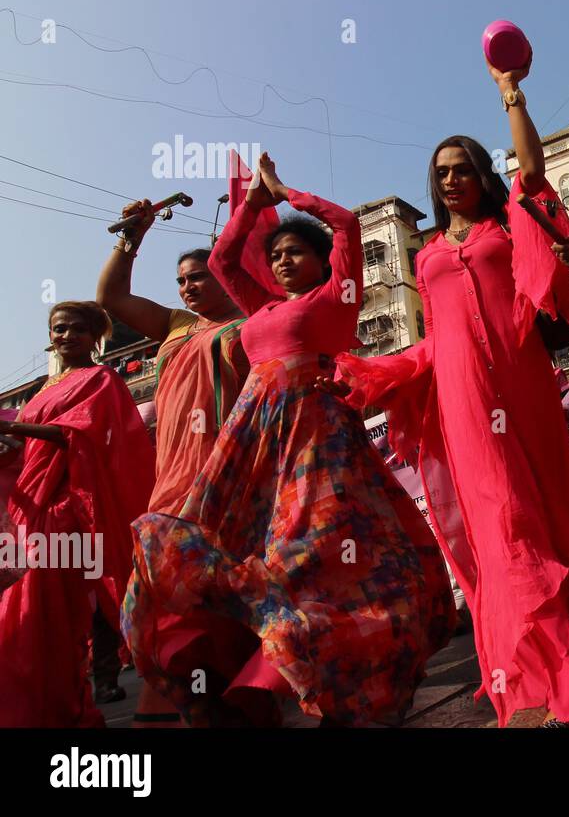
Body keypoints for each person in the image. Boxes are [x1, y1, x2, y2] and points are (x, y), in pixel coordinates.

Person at [123, 153, 454, 727]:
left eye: (294, 252)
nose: (281, 261)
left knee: (314, 546)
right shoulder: (262, 307)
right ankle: (256, 669)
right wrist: (250, 206)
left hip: (316, 436)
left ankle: (340, 665)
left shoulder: (334, 299)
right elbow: (223, 260)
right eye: (275, 255)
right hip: (253, 440)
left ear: (323, 262)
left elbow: (345, 224)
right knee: (227, 540)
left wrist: (283, 192)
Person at [330, 57, 569, 728]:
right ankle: (564, 686)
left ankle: (550, 659)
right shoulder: (425, 256)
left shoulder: (508, 227)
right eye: (442, 173)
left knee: (540, 516)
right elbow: (436, 339)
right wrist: (383, 372)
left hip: (523, 386)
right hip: (465, 404)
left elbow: (533, 173)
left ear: (481, 175)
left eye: (462, 169)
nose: (452, 179)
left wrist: (511, 94)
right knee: (505, 526)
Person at [97, 201, 250, 727]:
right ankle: (174, 692)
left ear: (225, 274)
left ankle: (227, 693)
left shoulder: (251, 325)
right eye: (181, 280)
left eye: (198, 277)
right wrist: (131, 238)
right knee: (164, 577)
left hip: (224, 467)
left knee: (212, 579)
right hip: (170, 470)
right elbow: (111, 298)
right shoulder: (176, 325)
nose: (187, 287)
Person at [0, 301, 154, 726]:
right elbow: (29, 449)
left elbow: (85, 434)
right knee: (19, 604)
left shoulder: (102, 379)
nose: (66, 335)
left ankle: (60, 706)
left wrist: (12, 428)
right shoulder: (44, 388)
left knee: (52, 607)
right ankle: (28, 702)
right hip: (28, 502)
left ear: (94, 337)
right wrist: (9, 445)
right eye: (59, 328)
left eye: (77, 329)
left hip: (68, 504)